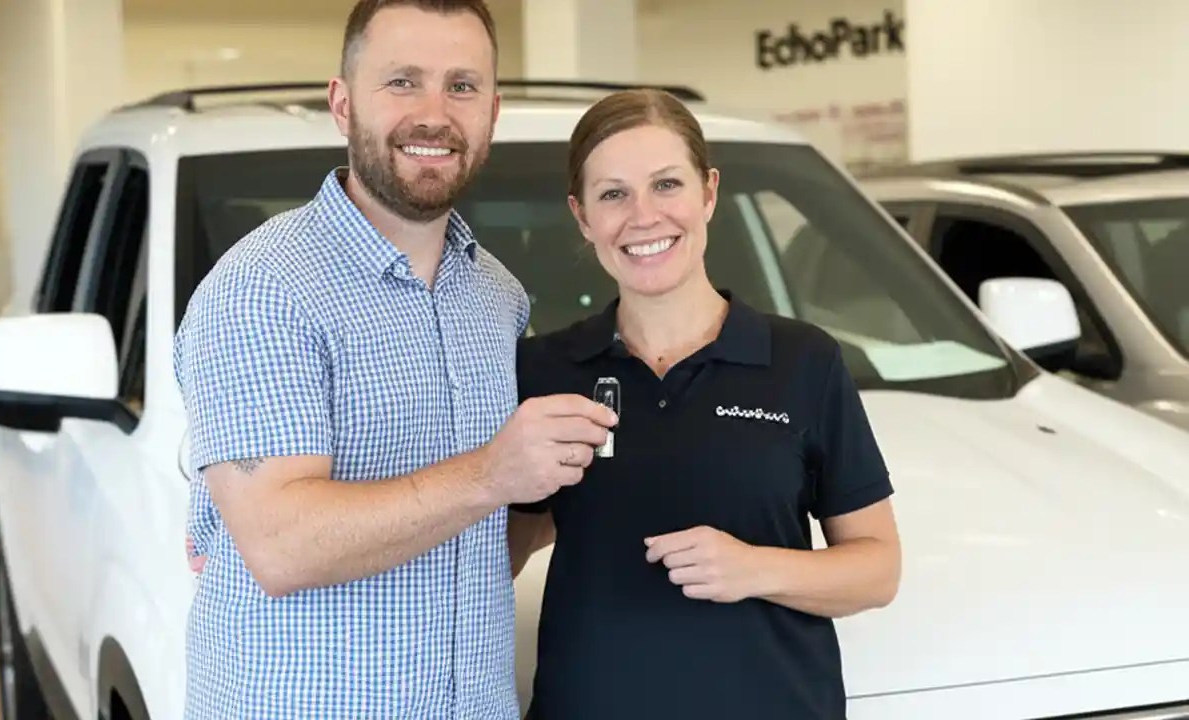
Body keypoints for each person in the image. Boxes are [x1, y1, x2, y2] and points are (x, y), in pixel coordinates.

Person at [172, 1, 615, 717]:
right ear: (343, 104)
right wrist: (493, 473)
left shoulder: (497, 296)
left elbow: (484, 543)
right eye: (403, 81)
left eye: (462, 86)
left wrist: (598, 480)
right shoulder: (262, 288)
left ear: (492, 112)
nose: (434, 114)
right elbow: (282, 546)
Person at [507, 89, 903, 720]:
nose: (643, 217)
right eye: (613, 194)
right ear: (582, 216)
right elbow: (497, 553)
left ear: (708, 193)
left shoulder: (802, 362)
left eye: (666, 184)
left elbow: (877, 570)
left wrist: (752, 569)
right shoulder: (544, 370)